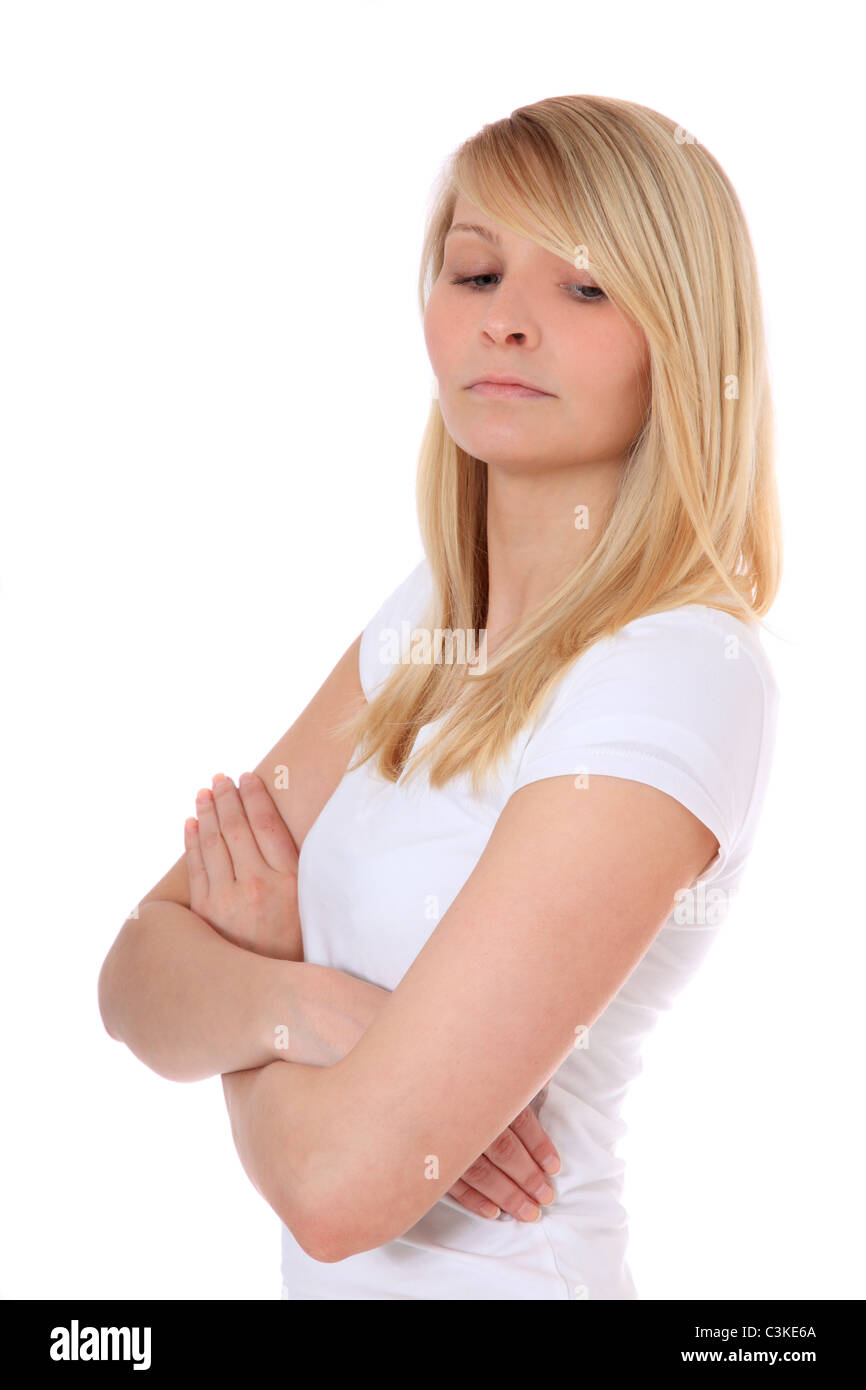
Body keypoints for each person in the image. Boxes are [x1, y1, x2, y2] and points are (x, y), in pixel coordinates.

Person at [98, 93, 781, 1300]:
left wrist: (255, 985)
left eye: (582, 289)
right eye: (474, 273)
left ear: (682, 336)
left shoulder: (673, 674)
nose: (506, 324)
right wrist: (304, 1002)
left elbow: (337, 1192)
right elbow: (132, 979)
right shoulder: (427, 625)